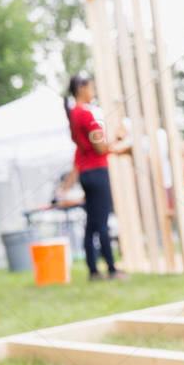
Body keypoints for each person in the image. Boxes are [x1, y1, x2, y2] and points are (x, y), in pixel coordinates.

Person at [63, 72, 130, 281]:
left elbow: (89, 147)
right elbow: (100, 148)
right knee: (101, 223)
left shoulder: (73, 115)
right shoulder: (85, 114)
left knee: (92, 224)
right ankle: (111, 269)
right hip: (97, 172)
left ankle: (93, 271)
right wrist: (116, 141)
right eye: (91, 88)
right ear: (81, 89)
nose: (93, 92)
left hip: (85, 173)